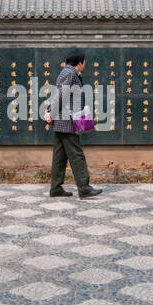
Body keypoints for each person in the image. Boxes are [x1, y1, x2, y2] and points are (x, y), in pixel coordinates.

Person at [44, 49, 102, 198]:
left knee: (60, 156)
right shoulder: (70, 73)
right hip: (67, 121)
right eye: (85, 61)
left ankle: (56, 188)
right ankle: (84, 188)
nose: (85, 64)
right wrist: (51, 112)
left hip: (62, 121)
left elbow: (59, 95)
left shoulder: (67, 72)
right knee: (77, 155)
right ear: (80, 61)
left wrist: (51, 111)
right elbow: (61, 96)